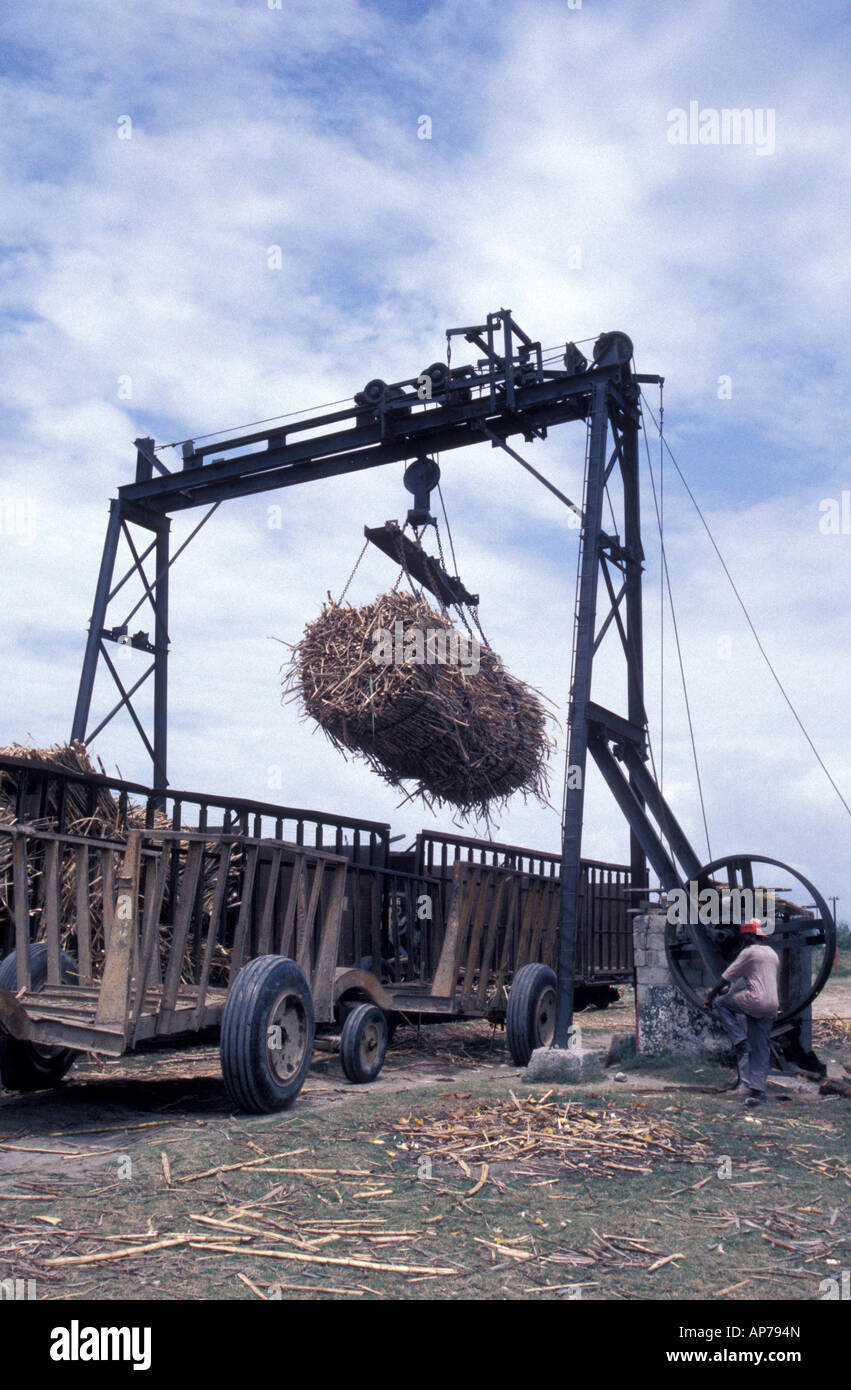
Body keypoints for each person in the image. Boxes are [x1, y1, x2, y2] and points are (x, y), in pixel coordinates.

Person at [702, 919, 780, 1108]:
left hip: (754, 1000)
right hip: (771, 1005)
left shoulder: (748, 952)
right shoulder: (772, 953)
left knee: (721, 1003)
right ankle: (758, 1093)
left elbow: (725, 978)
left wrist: (710, 998)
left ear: (747, 936)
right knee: (761, 1049)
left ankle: (739, 1040)